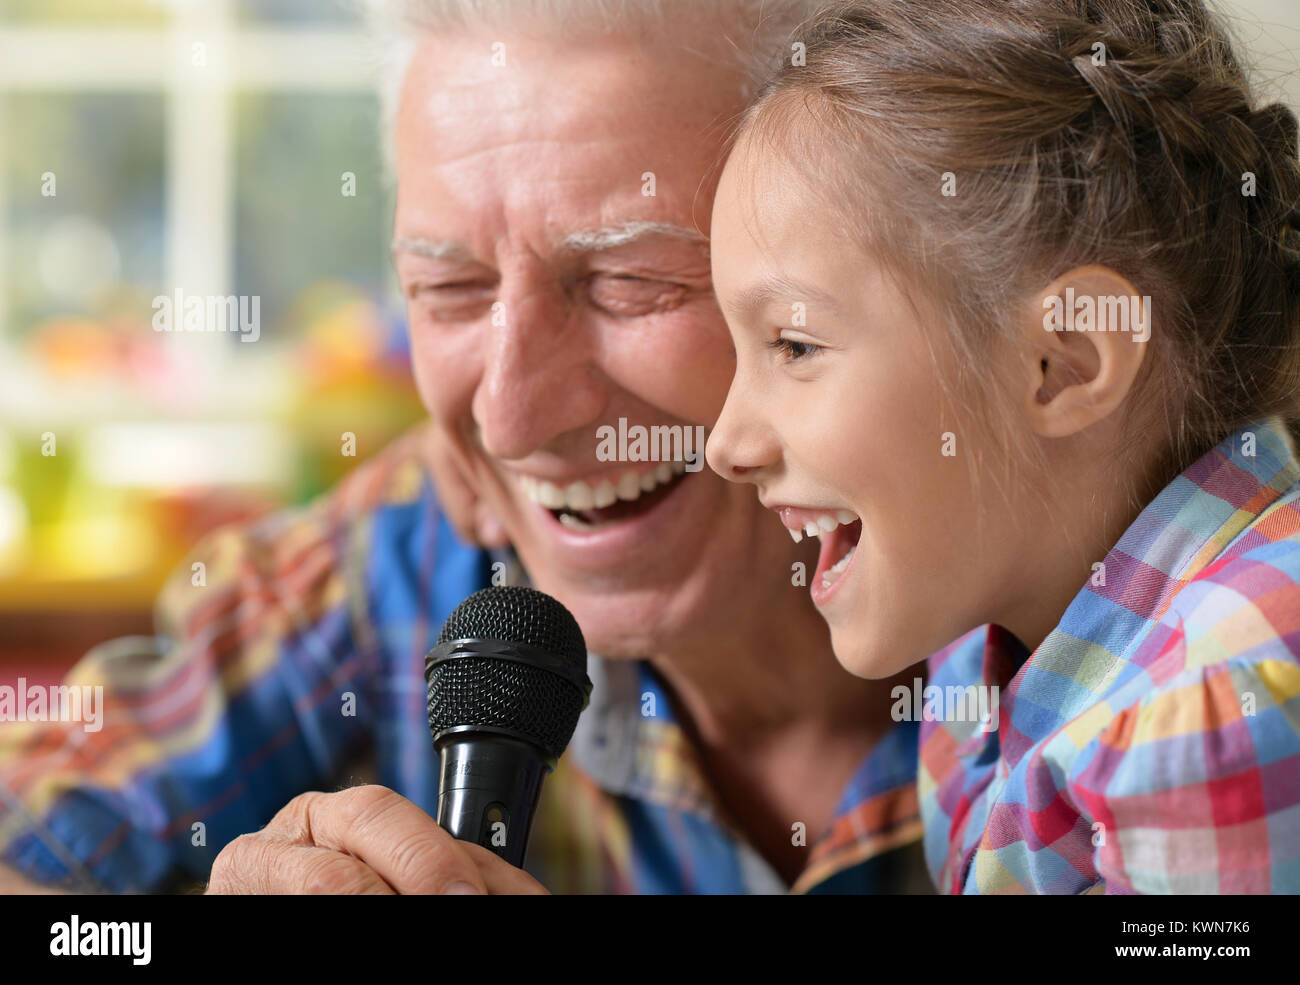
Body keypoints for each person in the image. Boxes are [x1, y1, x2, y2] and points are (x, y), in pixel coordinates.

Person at [0, 0, 933, 895]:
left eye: (632, 279)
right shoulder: (398, 558)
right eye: (450, 289)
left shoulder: (1044, 605)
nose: (511, 418)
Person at [705, 0, 1300, 893]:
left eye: (794, 345)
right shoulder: (976, 656)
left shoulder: (1208, 713)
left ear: (1062, 363)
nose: (724, 443)